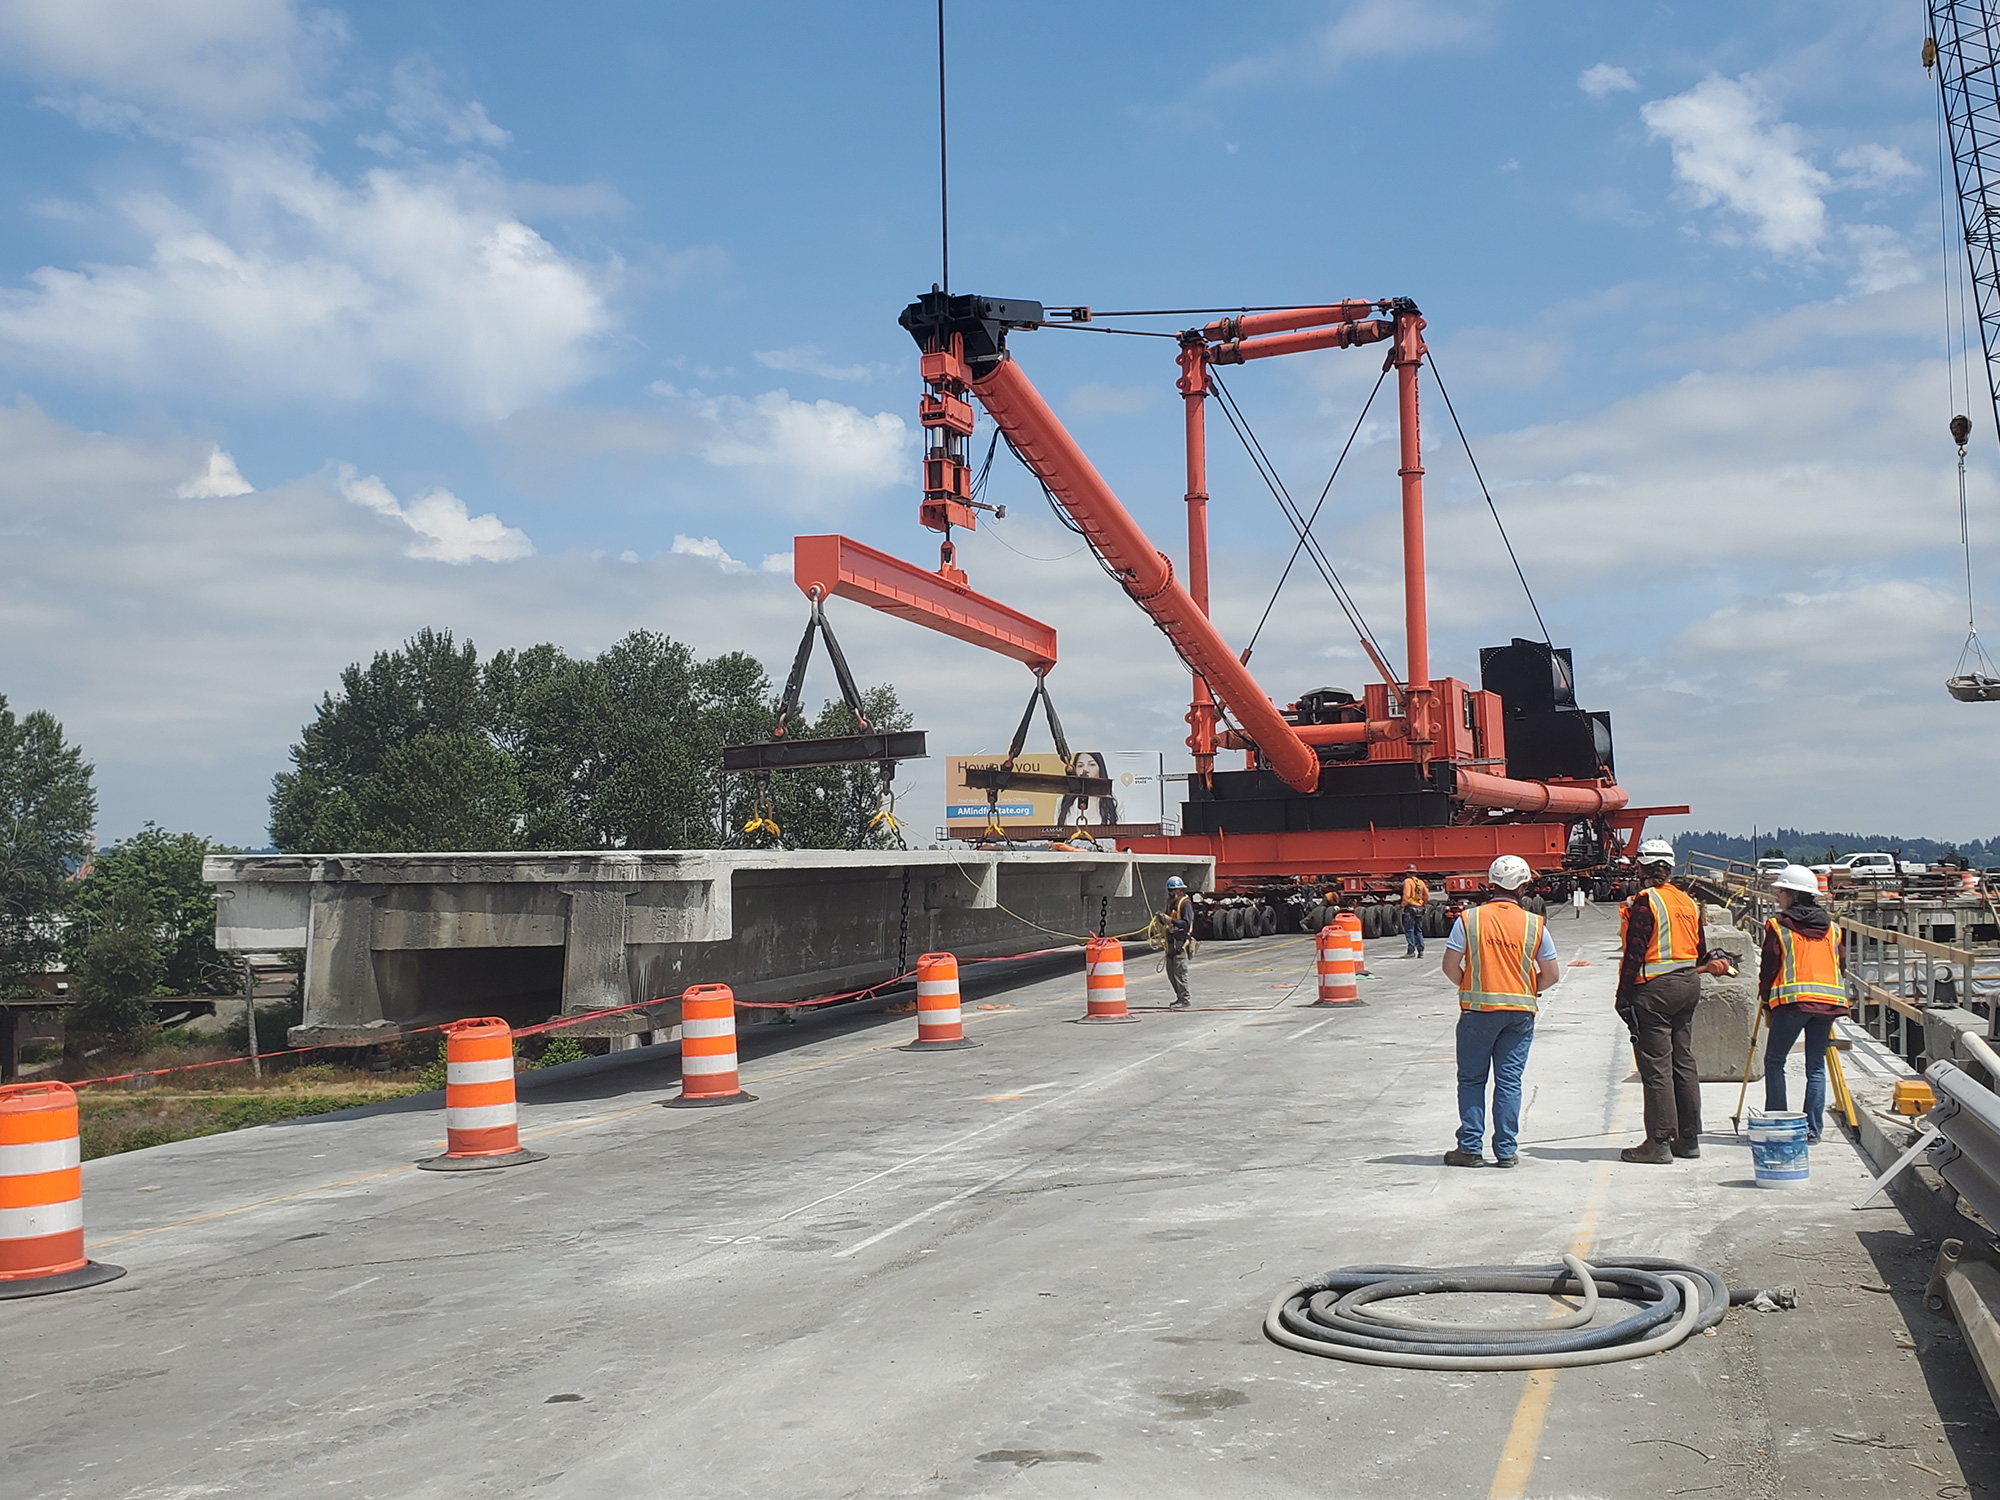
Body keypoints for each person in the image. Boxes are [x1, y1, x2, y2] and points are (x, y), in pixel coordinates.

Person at [1615, 839, 1733, 1163]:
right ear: (1668, 867)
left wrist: (1622, 997)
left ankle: (1658, 1141)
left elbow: (1634, 953)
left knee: (1656, 1067)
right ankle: (1688, 1138)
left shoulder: (1646, 902)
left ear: (1642, 867)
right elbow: (1700, 950)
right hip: (1688, 985)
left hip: (1654, 990)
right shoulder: (1687, 902)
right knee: (1683, 1062)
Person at [1441, 855, 1560, 1168]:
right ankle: (1506, 1150)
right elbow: (1551, 973)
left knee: (1471, 1080)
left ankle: (1470, 1148)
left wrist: (1468, 984)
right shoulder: (1535, 924)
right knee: (1509, 1081)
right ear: (1522, 887)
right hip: (1520, 1013)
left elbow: (1450, 966)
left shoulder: (1469, 919)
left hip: (1478, 1011)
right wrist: (1530, 990)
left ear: (1491, 884)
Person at [1759, 863, 1847, 1144]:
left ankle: (1778, 1124)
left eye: (1781, 892)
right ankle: (1812, 1130)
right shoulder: (1833, 929)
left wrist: (1765, 999)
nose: (1777, 897)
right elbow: (1841, 965)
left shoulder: (1778, 926)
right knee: (1815, 1067)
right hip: (1828, 1003)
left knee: (1774, 1061)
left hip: (1793, 1004)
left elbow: (1769, 966)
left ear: (1793, 895)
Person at [1056, 752, 1119, 829]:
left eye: (1092, 765)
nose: (1085, 770)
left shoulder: (1113, 802)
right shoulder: (1062, 802)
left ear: (1100, 768)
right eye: (1080, 766)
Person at [1162, 875, 1194, 1010]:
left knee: (1180, 972)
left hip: (1180, 942)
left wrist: (1171, 921)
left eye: (1174, 891)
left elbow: (1186, 923)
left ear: (1180, 890)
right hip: (1171, 943)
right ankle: (1179, 997)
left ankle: (1184, 999)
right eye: (1170, 891)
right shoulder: (1171, 904)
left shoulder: (1185, 904)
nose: (1171, 894)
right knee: (1171, 972)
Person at [1401, 865, 1430, 958]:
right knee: (1418, 930)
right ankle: (1421, 951)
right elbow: (1426, 895)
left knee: (1409, 930)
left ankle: (1411, 951)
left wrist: (1403, 905)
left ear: (1407, 873)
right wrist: (1422, 903)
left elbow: (1406, 895)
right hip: (1420, 908)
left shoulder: (1407, 881)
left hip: (1411, 908)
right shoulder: (1420, 882)